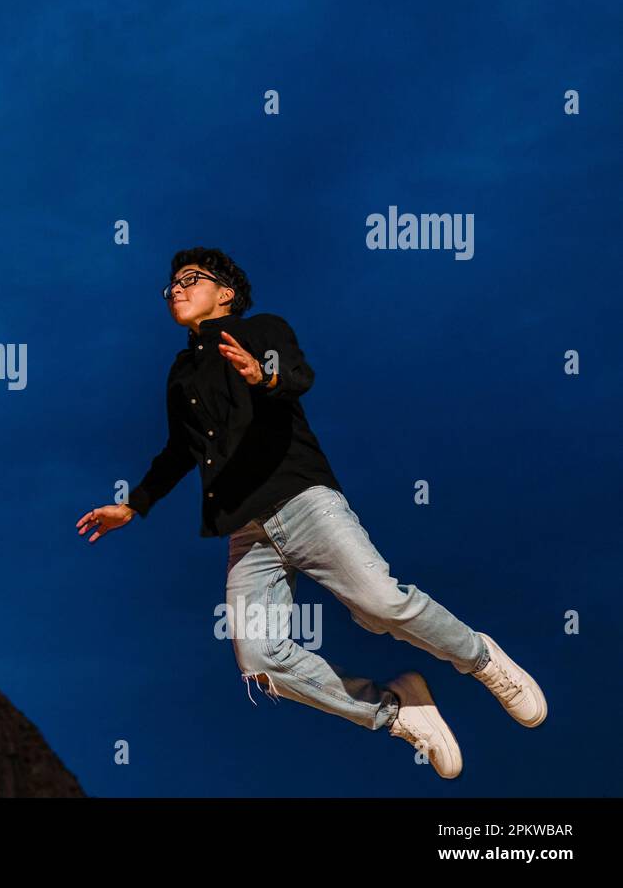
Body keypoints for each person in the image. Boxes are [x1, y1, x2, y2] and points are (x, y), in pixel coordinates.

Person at [75, 247, 546, 778]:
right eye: (171, 286)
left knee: (380, 605)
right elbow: (181, 450)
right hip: (246, 532)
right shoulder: (181, 373)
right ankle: (398, 712)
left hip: (301, 499)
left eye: (190, 279)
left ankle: (482, 659)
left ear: (225, 292)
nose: (175, 290)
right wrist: (133, 505)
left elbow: (297, 375)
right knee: (260, 658)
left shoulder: (261, 329)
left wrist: (262, 376)